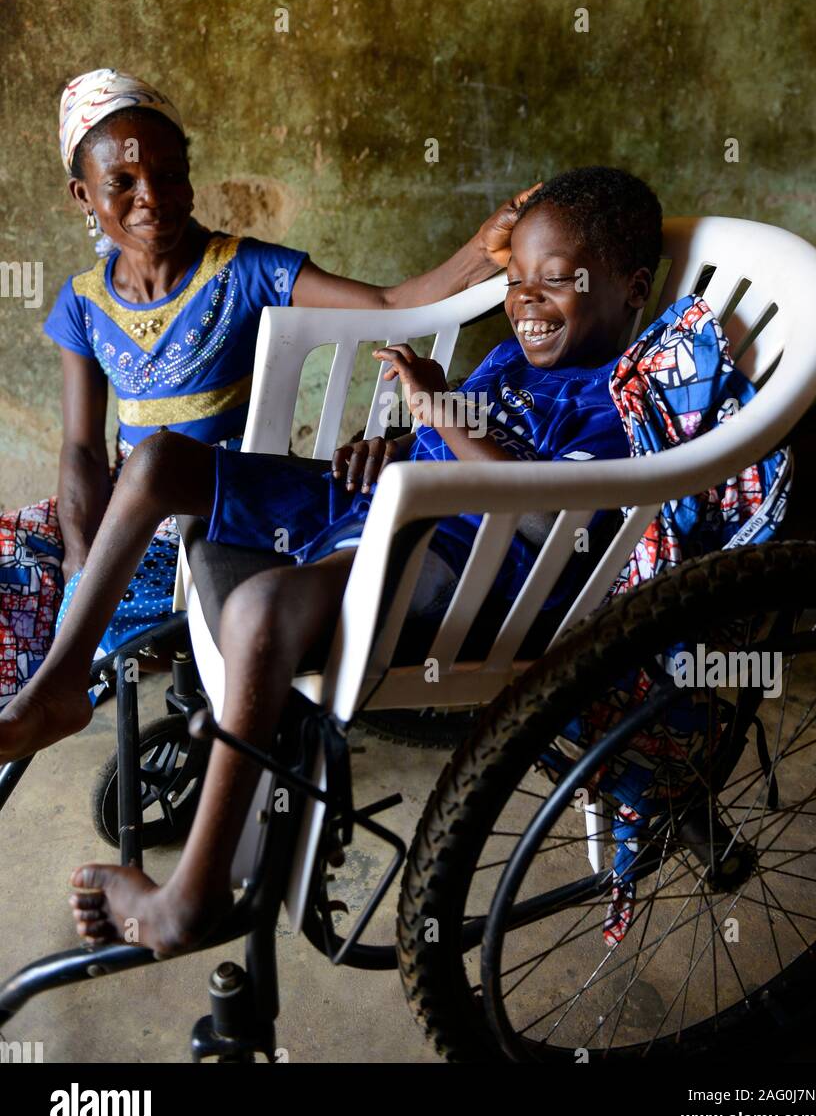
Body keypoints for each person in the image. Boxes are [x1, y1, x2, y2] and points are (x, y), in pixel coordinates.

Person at [0, 165, 659, 956]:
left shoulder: (618, 399)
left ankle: (192, 898)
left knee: (258, 609)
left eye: (553, 283)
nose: (522, 302)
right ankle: (63, 684)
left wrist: (438, 415)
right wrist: (396, 441)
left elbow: (552, 505)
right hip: (379, 501)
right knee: (156, 466)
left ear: (633, 291)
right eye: (514, 280)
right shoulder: (517, 362)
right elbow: (452, 433)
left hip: (452, 557)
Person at [0, 68, 538, 707]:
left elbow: (392, 302)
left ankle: (57, 693)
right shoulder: (83, 304)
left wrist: (483, 246)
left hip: (221, 497)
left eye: (170, 174)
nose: (152, 196)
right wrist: (80, 561)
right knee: (18, 563)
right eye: (121, 182)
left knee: (88, 602)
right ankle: (43, 696)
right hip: (128, 506)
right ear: (83, 196)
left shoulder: (248, 268)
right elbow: (83, 453)